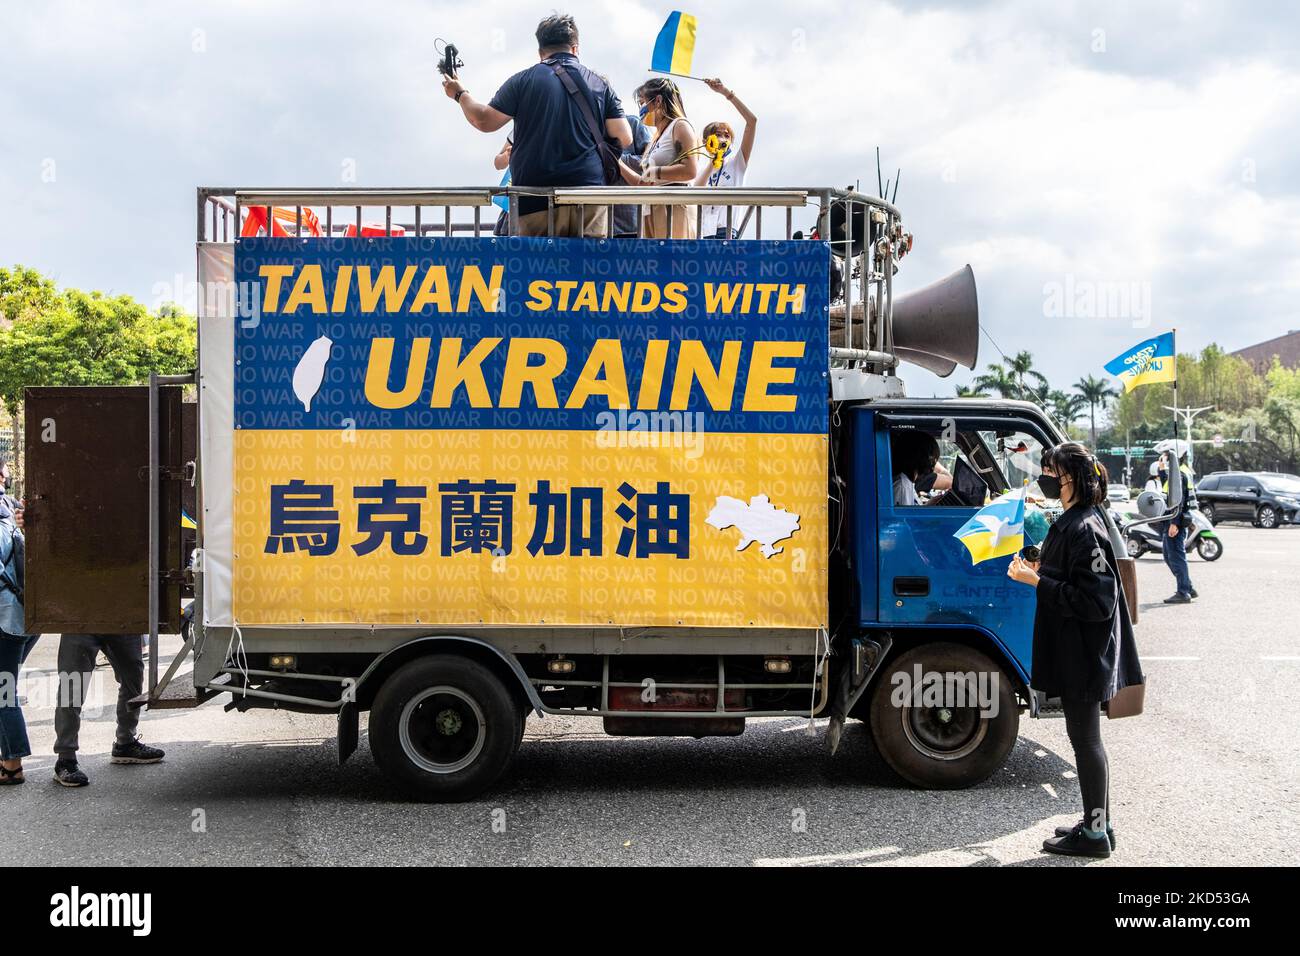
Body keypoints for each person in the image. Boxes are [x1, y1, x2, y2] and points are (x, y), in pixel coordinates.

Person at [1007, 442, 1143, 858]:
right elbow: (1074, 576)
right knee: (1085, 741)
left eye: (1054, 472)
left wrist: (1037, 583)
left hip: (1085, 654)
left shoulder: (1086, 528)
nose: (1047, 478)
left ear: (1074, 480)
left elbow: (1096, 603)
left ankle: (1096, 835)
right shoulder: (1073, 521)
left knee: (1086, 742)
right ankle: (1096, 822)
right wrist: (1039, 567)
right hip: (1076, 651)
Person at [443, 14, 632, 238]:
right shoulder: (598, 84)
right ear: (575, 48)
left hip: (535, 198)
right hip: (588, 195)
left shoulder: (523, 81)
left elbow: (484, 120)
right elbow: (625, 136)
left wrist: (460, 94)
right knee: (586, 269)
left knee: (539, 268)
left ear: (541, 51)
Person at [53, 632, 165, 787]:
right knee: (72, 687)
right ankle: (65, 758)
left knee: (133, 678)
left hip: (122, 622)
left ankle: (125, 743)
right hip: (79, 621)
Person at [619, 78, 700, 238]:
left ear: (658, 101)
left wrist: (655, 172)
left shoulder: (680, 126)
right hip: (651, 209)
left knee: (674, 261)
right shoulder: (655, 137)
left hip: (673, 207)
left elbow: (690, 170)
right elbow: (641, 182)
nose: (641, 109)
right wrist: (616, 161)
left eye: (642, 102)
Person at [693, 78, 757, 239]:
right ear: (706, 141)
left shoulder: (737, 162)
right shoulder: (701, 167)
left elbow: (752, 121)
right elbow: (695, 191)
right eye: (717, 135)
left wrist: (726, 93)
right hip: (703, 232)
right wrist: (713, 160)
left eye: (726, 136)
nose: (722, 139)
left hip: (726, 231)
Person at [0, 508, 36, 785]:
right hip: (25, 618)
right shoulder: (10, 518)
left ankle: (12, 765)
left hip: (6, 620)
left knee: (3, 693)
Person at [1156, 452, 1197, 603]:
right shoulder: (1178, 472)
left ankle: (1183, 592)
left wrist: (1174, 523)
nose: (1163, 458)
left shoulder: (1179, 474)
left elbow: (1178, 500)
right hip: (1173, 520)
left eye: (1166, 455)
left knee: (1176, 557)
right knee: (1169, 556)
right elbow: (1169, 487)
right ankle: (1188, 587)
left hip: (1175, 521)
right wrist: (1161, 470)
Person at [610, 111, 654, 238]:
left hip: (632, 225)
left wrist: (613, 158)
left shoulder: (633, 123)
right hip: (601, 225)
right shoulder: (587, 129)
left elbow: (649, 163)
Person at [890, 430, 946, 506]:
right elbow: (907, 517)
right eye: (932, 459)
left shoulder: (907, 481)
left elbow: (912, 511)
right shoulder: (902, 487)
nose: (933, 463)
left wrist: (930, 504)